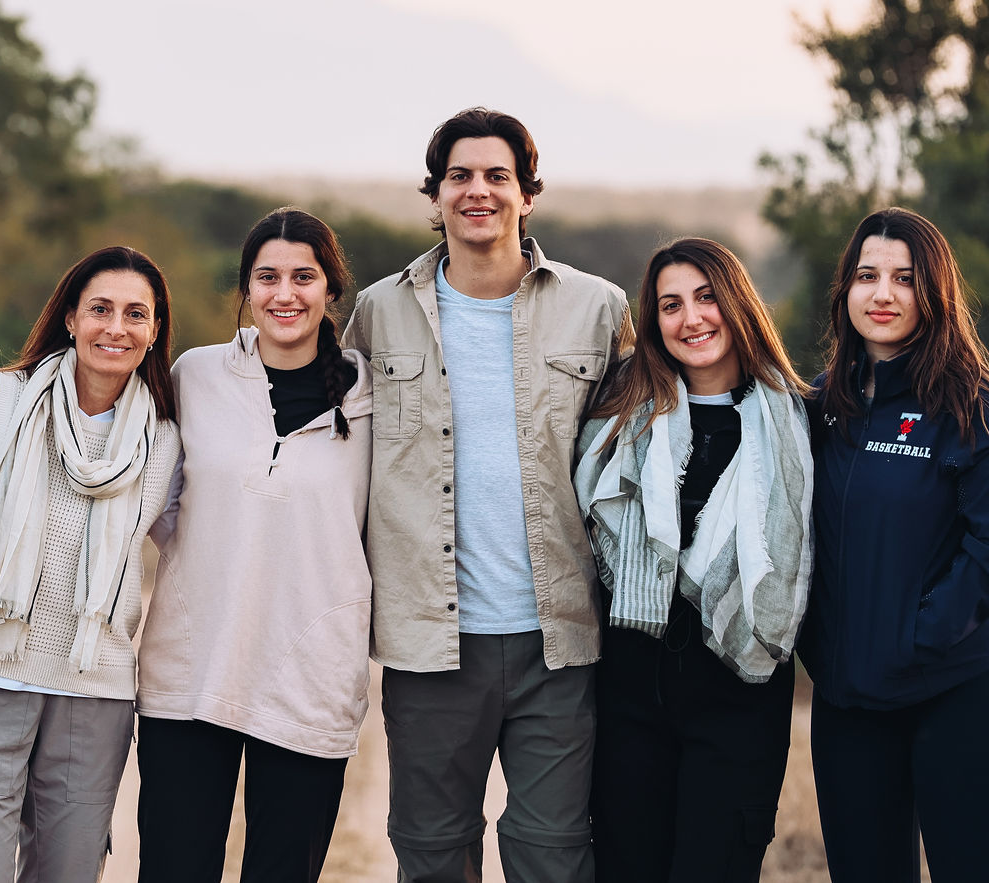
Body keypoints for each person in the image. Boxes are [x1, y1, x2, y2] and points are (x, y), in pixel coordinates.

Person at [343, 107, 633, 882]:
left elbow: (637, 461)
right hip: (430, 645)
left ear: (527, 193)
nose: (479, 191)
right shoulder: (378, 312)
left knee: (553, 855)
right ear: (434, 194)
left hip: (559, 638)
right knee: (433, 856)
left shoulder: (598, 309)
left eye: (497, 175)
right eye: (459, 176)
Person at [0, 245, 181, 883]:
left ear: (154, 332)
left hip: (94, 693)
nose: (115, 328)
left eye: (135, 315)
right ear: (69, 318)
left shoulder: (168, 438)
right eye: (99, 309)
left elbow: (192, 546)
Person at [136, 208, 373, 883]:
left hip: (310, 672)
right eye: (267, 276)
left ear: (331, 288)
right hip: (190, 668)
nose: (285, 293)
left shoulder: (375, 397)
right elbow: (158, 495)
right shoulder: (196, 376)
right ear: (246, 288)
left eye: (304, 276)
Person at [798, 207, 989, 883]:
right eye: (867, 275)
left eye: (904, 278)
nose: (883, 293)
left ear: (934, 292)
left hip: (960, 695)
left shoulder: (973, 405)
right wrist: (822, 642)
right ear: (844, 291)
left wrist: (910, 640)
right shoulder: (820, 406)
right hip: (848, 705)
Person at [573, 238, 813, 882]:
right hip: (630, 689)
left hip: (738, 692)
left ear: (738, 305)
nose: (692, 319)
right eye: (670, 305)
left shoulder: (799, 424)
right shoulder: (614, 424)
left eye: (707, 298)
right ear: (654, 323)